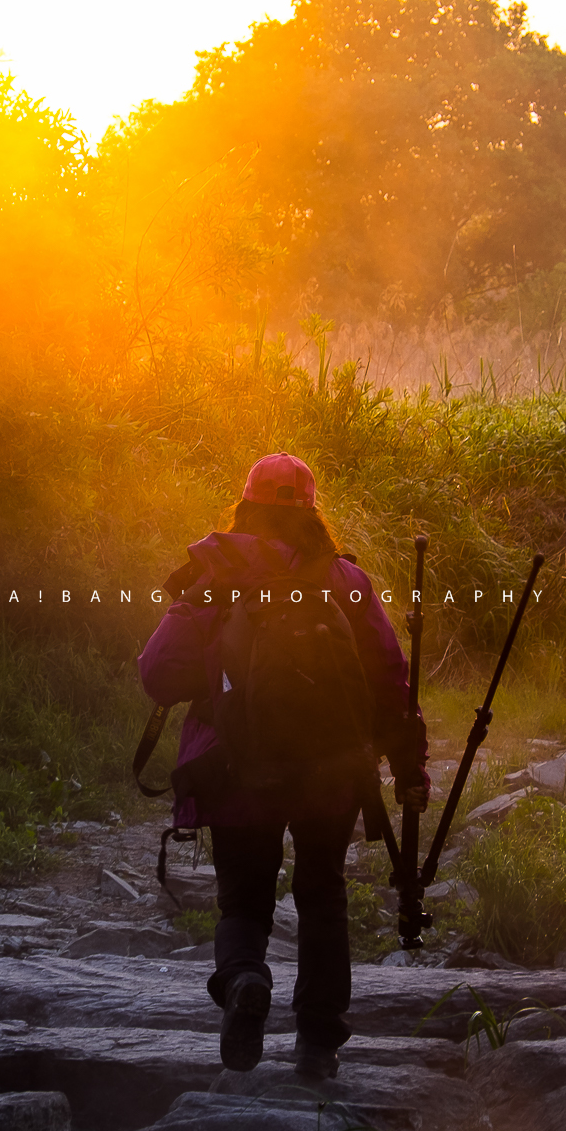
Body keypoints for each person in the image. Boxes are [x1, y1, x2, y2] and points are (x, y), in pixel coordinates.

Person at [138, 452, 428, 1080]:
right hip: (331, 772)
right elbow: (389, 677)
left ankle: (245, 977)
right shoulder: (346, 583)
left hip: (236, 768)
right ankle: (318, 1046)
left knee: (243, 898)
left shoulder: (215, 574)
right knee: (322, 893)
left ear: (245, 507)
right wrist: (409, 763)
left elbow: (157, 672)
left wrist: (216, 677)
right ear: (310, 512)